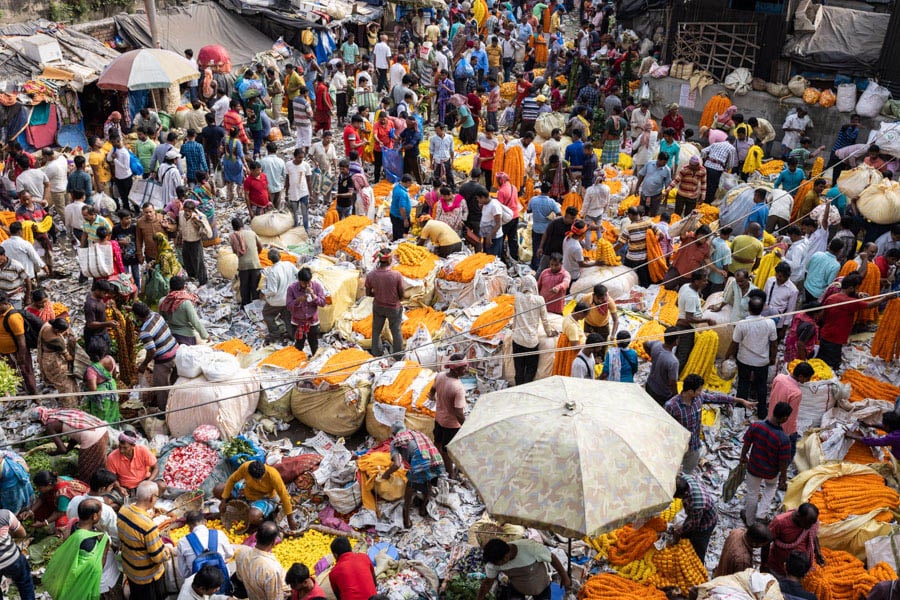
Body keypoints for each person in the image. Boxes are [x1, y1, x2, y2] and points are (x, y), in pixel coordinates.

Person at [666, 374, 755, 473]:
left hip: (693, 445)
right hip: (677, 446)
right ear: (691, 391)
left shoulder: (699, 398)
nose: (701, 392)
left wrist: (741, 401)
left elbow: (717, 398)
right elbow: (665, 428)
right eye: (699, 390)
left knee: (687, 473)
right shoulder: (672, 406)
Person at [818, 273, 898, 370]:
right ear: (851, 288)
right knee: (831, 364)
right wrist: (886, 298)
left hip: (826, 334)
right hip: (835, 338)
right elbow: (870, 305)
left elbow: (822, 315)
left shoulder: (832, 297)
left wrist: (857, 295)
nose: (856, 290)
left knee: (823, 359)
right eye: (856, 288)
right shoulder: (850, 302)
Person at [42, 498, 109, 600]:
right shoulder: (92, 540)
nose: (101, 515)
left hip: (69, 578)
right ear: (94, 516)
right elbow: (95, 567)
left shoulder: (73, 525)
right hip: (82, 585)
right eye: (100, 512)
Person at [117, 481, 174, 599]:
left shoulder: (123, 510)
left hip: (130, 568)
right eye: (157, 496)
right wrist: (168, 549)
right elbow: (158, 557)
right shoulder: (148, 526)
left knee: (136, 595)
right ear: (152, 498)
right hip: (146, 576)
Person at [383, 423, 446, 528]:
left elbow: (397, 464)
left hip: (421, 461)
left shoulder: (395, 442)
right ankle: (422, 509)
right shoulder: (416, 434)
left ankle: (406, 517)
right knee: (428, 481)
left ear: (394, 433)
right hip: (435, 459)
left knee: (410, 486)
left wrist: (386, 475)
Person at [741, 401, 793, 525]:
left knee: (752, 493)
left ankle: (749, 521)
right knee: (770, 488)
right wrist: (783, 477)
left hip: (753, 467)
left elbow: (747, 443)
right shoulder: (783, 439)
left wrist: (743, 456)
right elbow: (783, 461)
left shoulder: (756, 426)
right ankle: (761, 514)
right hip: (771, 472)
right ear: (785, 418)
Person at [727, 296, 778, 419]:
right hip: (762, 361)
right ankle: (762, 412)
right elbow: (774, 343)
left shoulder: (742, 324)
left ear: (749, 308)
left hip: (744, 359)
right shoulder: (770, 323)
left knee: (743, 385)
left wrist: (727, 356)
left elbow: (734, 343)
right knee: (761, 386)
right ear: (762, 309)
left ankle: (740, 412)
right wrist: (772, 358)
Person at [29, 407, 108, 484]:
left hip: (92, 437)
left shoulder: (49, 426)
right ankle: (102, 484)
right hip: (102, 430)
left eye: (38, 423)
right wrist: (68, 449)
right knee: (98, 464)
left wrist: (51, 453)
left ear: (39, 419)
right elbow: (75, 434)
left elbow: (62, 449)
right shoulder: (60, 413)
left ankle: (88, 488)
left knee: (85, 468)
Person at [477, 538, 570, 600]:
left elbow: (552, 557)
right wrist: (479, 598)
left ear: (505, 557)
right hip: (517, 588)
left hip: (541, 587)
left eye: (497, 563)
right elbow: (487, 583)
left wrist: (565, 577)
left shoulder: (530, 548)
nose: (495, 566)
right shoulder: (494, 561)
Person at [217, 460, 298, 530]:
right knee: (218, 489)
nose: (259, 480)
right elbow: (232, 480)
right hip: (246, 491)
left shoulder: (273, 475)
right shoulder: (245, 467)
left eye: (261, 478)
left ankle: (263, 525)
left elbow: (284, 496)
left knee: (253, 516)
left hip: (265, 498)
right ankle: (237, 508)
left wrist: (290, 519)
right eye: (256, 479)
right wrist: (223, 500)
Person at [133, 301, 179, 411]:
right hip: (176, 351)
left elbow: (152, 350)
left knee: (161, 388)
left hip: (164, 360)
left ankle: (164, 412)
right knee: (174, 382)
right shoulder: (156, 315)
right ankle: (176, 404)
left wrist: (144, 364)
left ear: (137, 316)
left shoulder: (145, 332)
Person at [512, 275, 556, 385]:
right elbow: (545, 320)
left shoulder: (517, 297)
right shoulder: (539, 300)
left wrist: (513, 329)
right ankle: (526, 389)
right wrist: (549, 333)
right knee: (530, 370)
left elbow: (515, 316)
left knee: (519, 370)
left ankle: (518, 389)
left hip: (517, 340)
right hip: (531, 342)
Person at [763, 503, 825, 577]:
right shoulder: (780, 522)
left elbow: (813, 535)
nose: (809, 527)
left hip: (799, 567)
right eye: (807, 524)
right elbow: (766, 542)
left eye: (811, 524)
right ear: (798, 516)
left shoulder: (809, 524)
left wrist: (818, 552)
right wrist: (764, 564)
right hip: (779, 565)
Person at [431, 354, 467, 479]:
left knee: (438, 443)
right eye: (464, 367)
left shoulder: (440, 376)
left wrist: (436, 399)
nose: (466, 369)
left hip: (439, 419)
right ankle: (450, 474)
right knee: (448, 452)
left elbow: (431, 391)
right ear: (456, 369)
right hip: (451, 425)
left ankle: (436, 464)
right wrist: (466, 426)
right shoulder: (458, 388)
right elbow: (458, 413)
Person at [366, 248, 405, 357]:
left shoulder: (371, 275)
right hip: (393, 307)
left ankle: (376, 352)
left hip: (378, 306)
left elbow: (368, 293)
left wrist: (378, 295)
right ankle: (398, 356)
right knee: (396, 331)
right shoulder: (396, 275)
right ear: (389, 260)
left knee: (376, 330)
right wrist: (398, 299)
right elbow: (401, 292)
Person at [176, 510, 235, 582]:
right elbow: (230, 554)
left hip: (199, 587)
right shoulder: (219, 534)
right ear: (205, 522)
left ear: (189, 526)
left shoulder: (182, 542)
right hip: (221, 582)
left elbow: (184, 573)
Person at [769, 361, 813, 458]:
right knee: (788, 454)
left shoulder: (779, 377)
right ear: (801, 376)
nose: (808, 381)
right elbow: (791, 416)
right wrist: (791, 433)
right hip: (783, 428)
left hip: (771, 418)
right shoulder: (796, 393)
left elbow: (772, 395)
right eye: (807, 378)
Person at [22, 470, 87, 530]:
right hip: (62, 502)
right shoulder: (53, 480)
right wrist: (30, 511)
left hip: (80, 507)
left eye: (40, 488)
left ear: (49, 484)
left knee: (61, 523)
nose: (38, 490)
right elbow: (41, 498)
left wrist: (44, 523)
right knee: (39, 510)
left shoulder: (63, 493)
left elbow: (60, 512)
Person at [673, 474, 718, 562]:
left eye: (678, 497)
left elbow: (693, 524)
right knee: (685, 536)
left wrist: (678, 532)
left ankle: (699, 566)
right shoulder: (686, 478)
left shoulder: (697, 504)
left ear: (685, 494)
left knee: (699, 545)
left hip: (707, 521)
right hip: (696, 513)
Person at [0, 291, 36, 395]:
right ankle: (25, 393)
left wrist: (21, 356)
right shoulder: (2, 314)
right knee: (17, 375)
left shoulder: (13, 317)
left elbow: (21, 339)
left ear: (4, 303)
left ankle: (34, 397)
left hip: (15, 352)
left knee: (25, 374)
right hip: (6, 353)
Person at [260, 249, 298, 343]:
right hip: (290, 298)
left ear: (270, 260)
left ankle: (275, 334)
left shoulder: (273, 271)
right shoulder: (289, 264)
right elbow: (298, 274)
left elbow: (272, 291)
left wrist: (263, 291)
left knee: (267, 314)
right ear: (280, 256)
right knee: (287, 316)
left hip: (277, 301)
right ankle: (293, 335)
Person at [107, 432, 162, 497]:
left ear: (133, 446)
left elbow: (156, 467)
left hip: (144, 482)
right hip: (125, 488)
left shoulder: (142, 450)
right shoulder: (112, 457)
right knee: (109, 501)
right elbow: (112, 478)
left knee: (161, 485)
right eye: (120, 447)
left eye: (125, 448)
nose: (121, 451)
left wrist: (148, 482)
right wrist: (119, 488)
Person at [286, 267, 327, 356]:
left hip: (312, 321)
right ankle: (297, 361)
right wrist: (298, 300)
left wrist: (313, 295)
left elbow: (323, 303)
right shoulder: (292, 288)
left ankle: (314, 360)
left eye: (309, 282)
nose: (307, 285)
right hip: (298, 322)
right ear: (299, 280)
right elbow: (288, 306)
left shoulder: (316, 286)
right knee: (299, 344)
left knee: (314, 343)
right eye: (304, 283)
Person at [615, 206, 657, 287]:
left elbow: (620, 243)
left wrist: (612, 250)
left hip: (632, 258)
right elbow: (660, 234)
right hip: (644, 258)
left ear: (630, 215)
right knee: (644, 277)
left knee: (626, 275)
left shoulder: (629, 228)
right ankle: (644, 290)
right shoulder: (648, 223)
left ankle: (628, 287)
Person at [159, 276, 207, 346]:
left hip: (169, 335)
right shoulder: (186, 302)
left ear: (170, 287)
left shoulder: (163, 301)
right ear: (183, 287)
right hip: (186, 337)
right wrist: (205, 335)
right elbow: (195, 321)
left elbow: (161, 320)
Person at [0, 506, 33, 600]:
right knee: (25, 583)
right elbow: (22, 533)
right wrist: (7, 533)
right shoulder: (4, 514)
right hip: (12, 559)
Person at [230, 217, 264, 308]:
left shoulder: (232, 237)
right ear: (243, 225)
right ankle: (256, 306)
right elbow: (260, 246)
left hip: (243, 266)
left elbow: (235, 252)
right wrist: (256, 254)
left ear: (233, 227)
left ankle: (245, 305)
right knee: (255, 286)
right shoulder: (252, 233)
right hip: (255, 264)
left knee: (244, 286)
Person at [177, 200, 211, 286]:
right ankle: (192, 276)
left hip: (195, 242)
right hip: (186, 241)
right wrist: (179, 239)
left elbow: (205, 231)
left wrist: (198, 223)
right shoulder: (181, 215)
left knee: (198, 262)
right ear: (183, 209)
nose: (187, 213)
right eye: (186, 210)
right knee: (187, 260)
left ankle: (203, 280)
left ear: (193, 211)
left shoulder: (197, 218)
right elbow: (180, 227)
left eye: (189, 211)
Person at [763, 261, 799, 337]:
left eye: (781, 276)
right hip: (765, 316)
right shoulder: (770, 281)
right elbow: (764, 297)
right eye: (777, 275)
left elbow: (790, 310)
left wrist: (784, 329)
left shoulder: (793, 290)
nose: (778, 278)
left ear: (787, 276)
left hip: (778, 322)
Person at [636, 152, 672, 217]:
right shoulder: (649, 164)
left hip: (656, 195)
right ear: (658, 159)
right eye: (663, 162)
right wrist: (637, 188)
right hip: (644, 192)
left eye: (666, 162)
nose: (665, 164)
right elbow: (641, 175)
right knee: (641, 211)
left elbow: (667, 186)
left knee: (652, 213)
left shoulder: (667, 170)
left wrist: (666, 199)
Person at [0, 450, 34, 515]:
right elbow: (27, 469)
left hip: (11, 491)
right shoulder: (9, 454)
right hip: (22, 482)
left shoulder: (7, 465)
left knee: (13, 508)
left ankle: (16, 517)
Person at [259, 142, 286, 209]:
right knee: (277, 209)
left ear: (267, 150)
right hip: (278, 188)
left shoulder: (263, 161)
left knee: (268, 209)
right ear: (276, 150)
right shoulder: (281, 161)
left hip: (267, 190)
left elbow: (259, 175)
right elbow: (285, 176)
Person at [390, 174, 414, 241]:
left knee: (396, 231)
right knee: (399, 235)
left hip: (394, 214)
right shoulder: (402, 193)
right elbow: (402, 208)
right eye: (410, 183)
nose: (411, 185)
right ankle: (397, 245)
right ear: (407, 182)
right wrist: (405, 219)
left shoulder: (397, 186)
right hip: (399, 217)